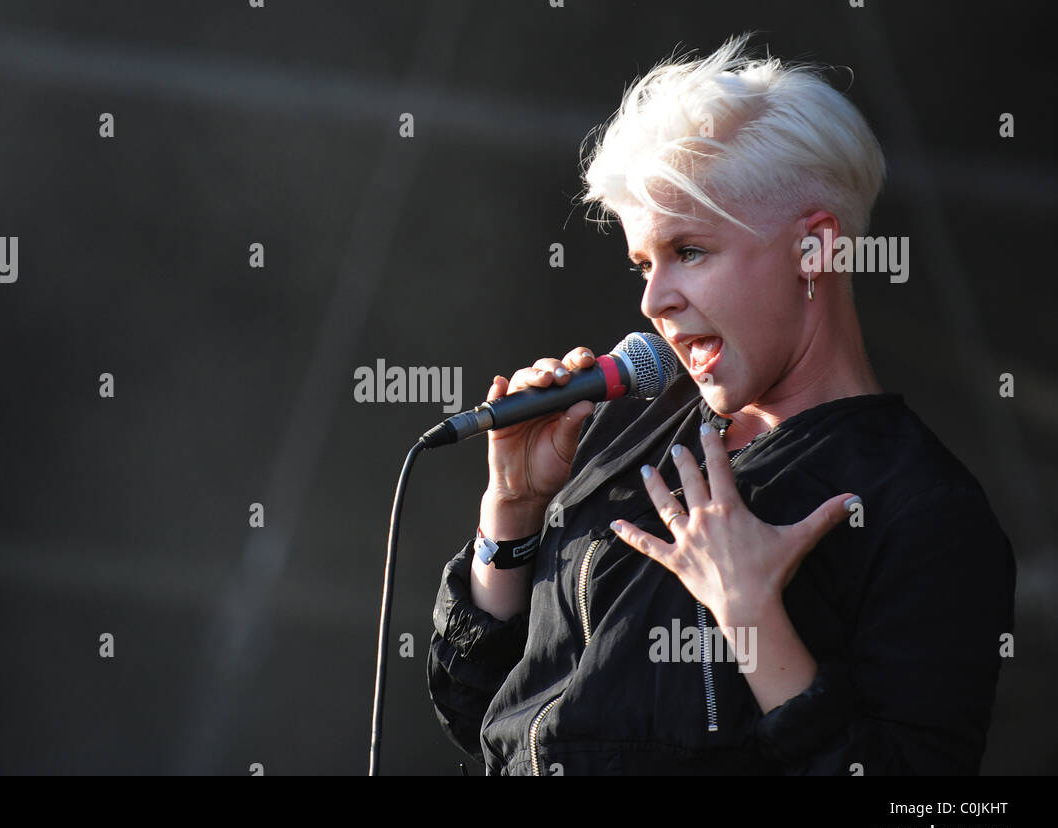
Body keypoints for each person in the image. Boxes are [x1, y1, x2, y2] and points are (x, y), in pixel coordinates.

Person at [426, 34, 1015, 775]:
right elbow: (479, 710)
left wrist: (752, 619)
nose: (653, 299)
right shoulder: (630, 441)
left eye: (689, 252)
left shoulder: (919, 508)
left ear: (815, 250)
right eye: (644, 263)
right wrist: (510, 514)